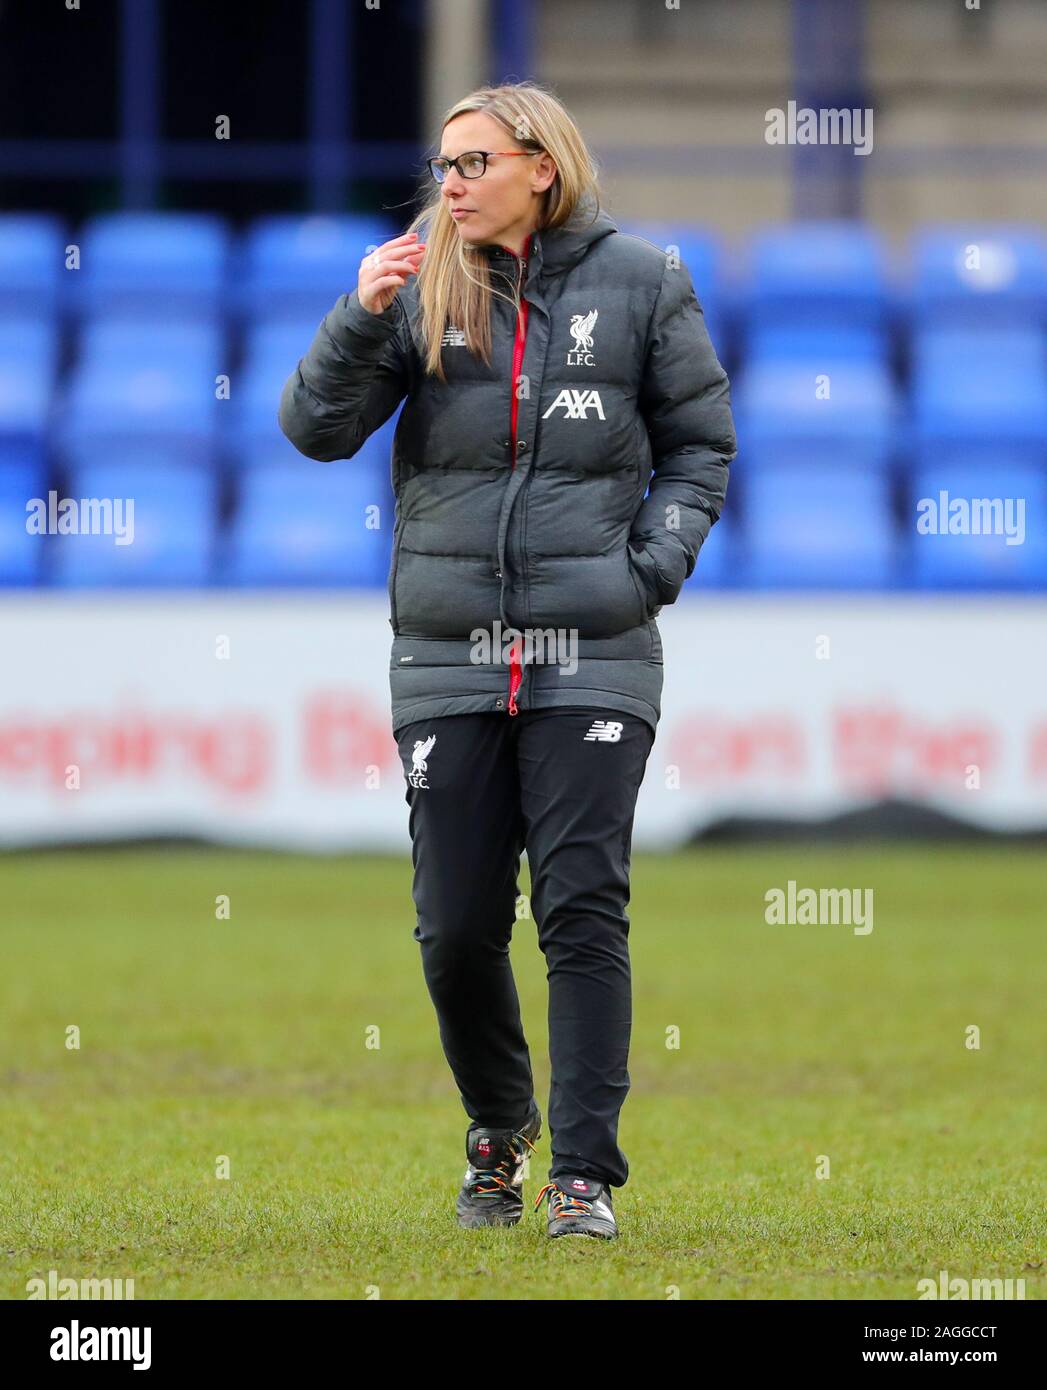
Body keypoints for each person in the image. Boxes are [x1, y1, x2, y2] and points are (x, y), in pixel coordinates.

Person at [279, 80, 736, 1240]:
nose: (450, 185)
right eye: (442, 166)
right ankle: (498, 1129)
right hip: (449, 658)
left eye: (473, 163)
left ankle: (582, 1177)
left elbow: (701, 449)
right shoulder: (420, 284)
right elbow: (314, 431)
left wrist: (646, 573)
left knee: (583, 912)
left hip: (595, 652)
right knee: (456, 928)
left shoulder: (647, 281)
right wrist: (354, 316)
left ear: (543, 164)